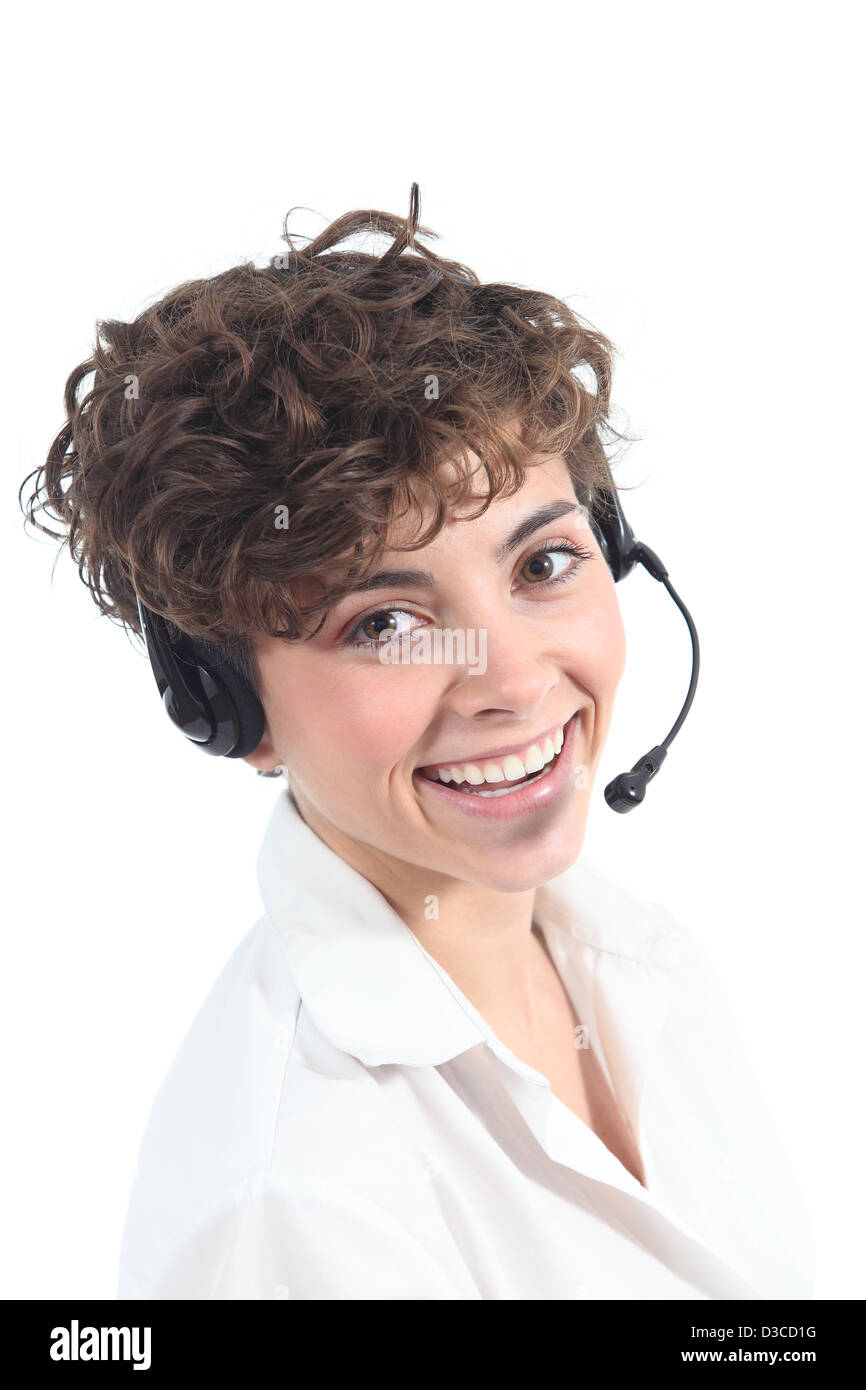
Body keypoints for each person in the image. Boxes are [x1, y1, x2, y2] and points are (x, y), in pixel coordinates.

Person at [20, 186, 814, 1300]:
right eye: (384, 624)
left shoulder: (641, 965)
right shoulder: (296, 1203)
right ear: (227, 708)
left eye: (542, 564)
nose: (512, 680)